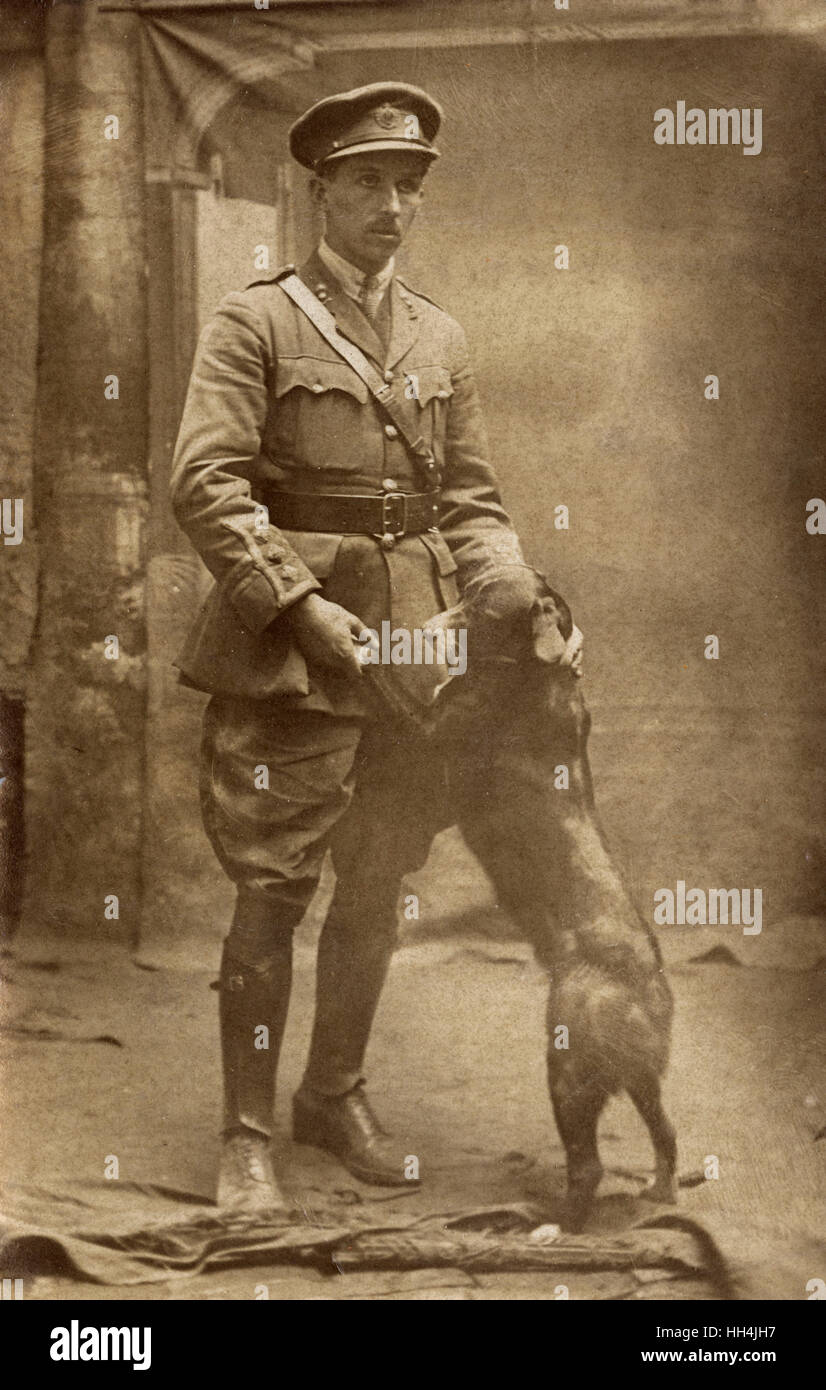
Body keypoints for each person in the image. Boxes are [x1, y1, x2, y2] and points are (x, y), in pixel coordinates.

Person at [170, 82, 583, 1212]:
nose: (392, 206)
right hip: (297, 650)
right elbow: (205, 483)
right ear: (321, 193)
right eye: (368, 183)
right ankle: (246, 1135)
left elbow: (473, 502)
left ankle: (332, 1092)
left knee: (377, 877)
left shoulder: (438, 334)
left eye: (408, 186)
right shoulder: (254, 321)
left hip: (415, 660)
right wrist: (302, 608)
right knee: (273, 886)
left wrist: (517, 600)